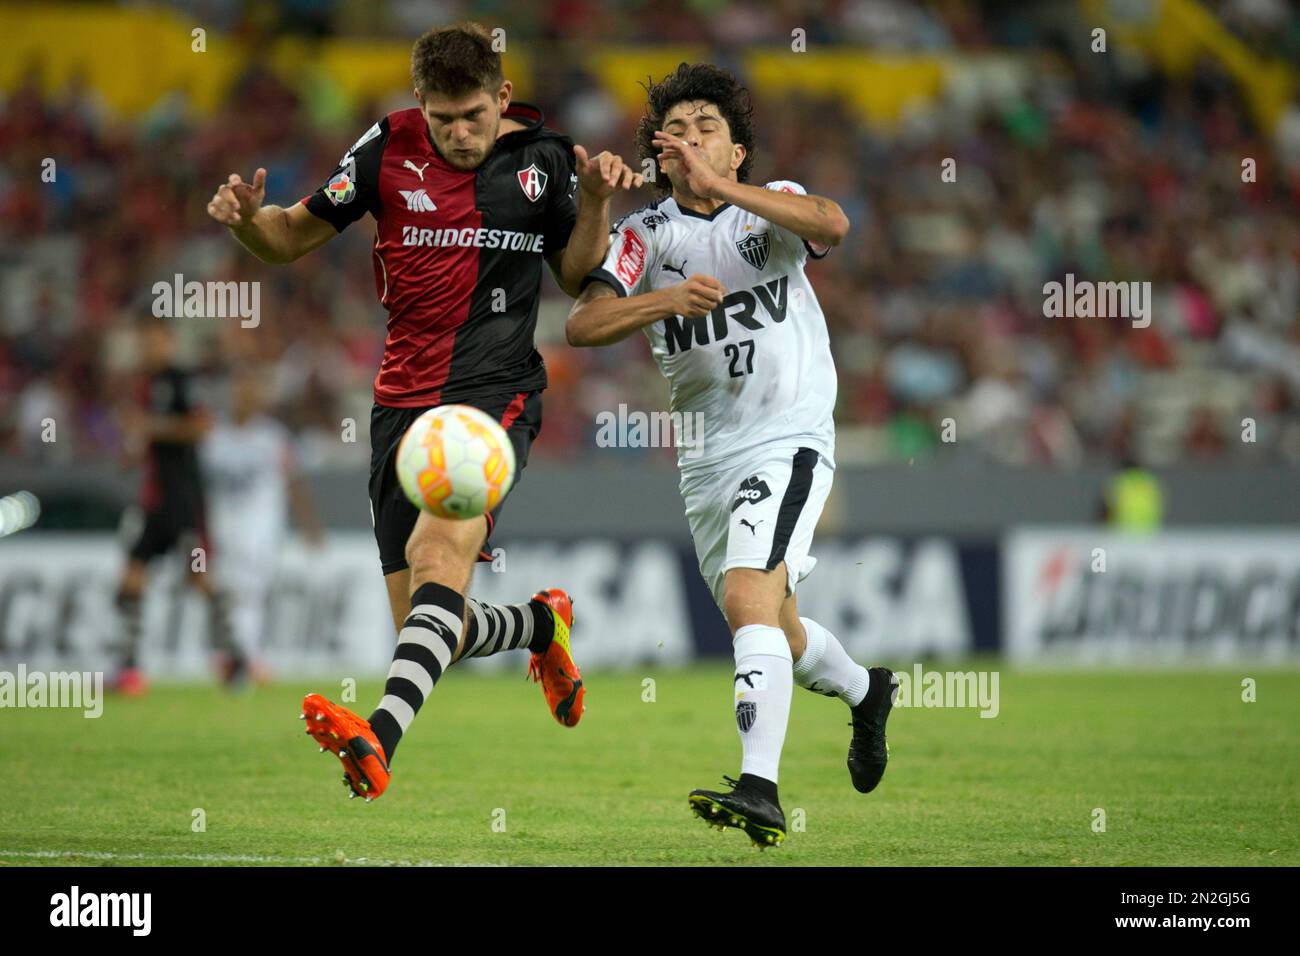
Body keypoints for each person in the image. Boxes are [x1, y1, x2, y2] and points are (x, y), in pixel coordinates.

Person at [206, 22, 642, 800]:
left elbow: (578, 279)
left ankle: (379, 740)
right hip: (397, 407)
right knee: (431, 623)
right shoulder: (384, 150)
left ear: (504, 97)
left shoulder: (546, 162)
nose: (460, 133)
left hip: (493, 396)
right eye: (443, 119)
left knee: (442, 562)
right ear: (420, 104)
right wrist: (247, 221)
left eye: (474, 114)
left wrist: (599, 205)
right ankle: (542, 626)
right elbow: (288, 238)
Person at [567, 63, 896, 847]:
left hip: (788, 437)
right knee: (775, 629)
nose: (688, 139)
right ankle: (865, 690)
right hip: (705, 459)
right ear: (658, 150)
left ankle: (760, 787)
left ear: (739, 152)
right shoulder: (645, 237)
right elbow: (582, 326)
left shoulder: (769, 208)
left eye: (706, 127)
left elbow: (833, 225)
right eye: (674, 131)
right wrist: (665, 299)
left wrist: (725, 184)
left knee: (750, 596)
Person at [112, 318, 246, 693]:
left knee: (199, 578)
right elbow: (141, 439)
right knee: (131, 577)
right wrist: (132, 450)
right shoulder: (143, 385)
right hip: (153, 502)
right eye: (143, 340)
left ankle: (235, 659)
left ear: (168, 342)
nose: (148, 347)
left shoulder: (180, 380)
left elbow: (201, 427)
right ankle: (129, 668)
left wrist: (151, 427)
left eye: (154, 340)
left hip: (184, 500)